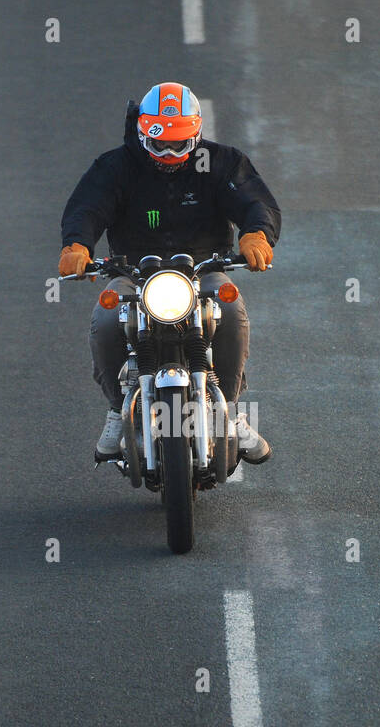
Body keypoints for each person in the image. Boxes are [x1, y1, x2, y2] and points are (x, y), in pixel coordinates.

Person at [58, 81, 281, 464]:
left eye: (178, 145)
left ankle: (227, 408)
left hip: (204, 268)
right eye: (158, 144)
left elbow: (253, 200)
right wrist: (77, 244)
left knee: (230, 309)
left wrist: (257, 234)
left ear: (195, 134)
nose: (168, 154)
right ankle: (117, 409)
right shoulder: (116, 167)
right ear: (143, 133)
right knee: (107, 315)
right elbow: (88, 207)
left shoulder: (222, 162)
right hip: (132, 270)